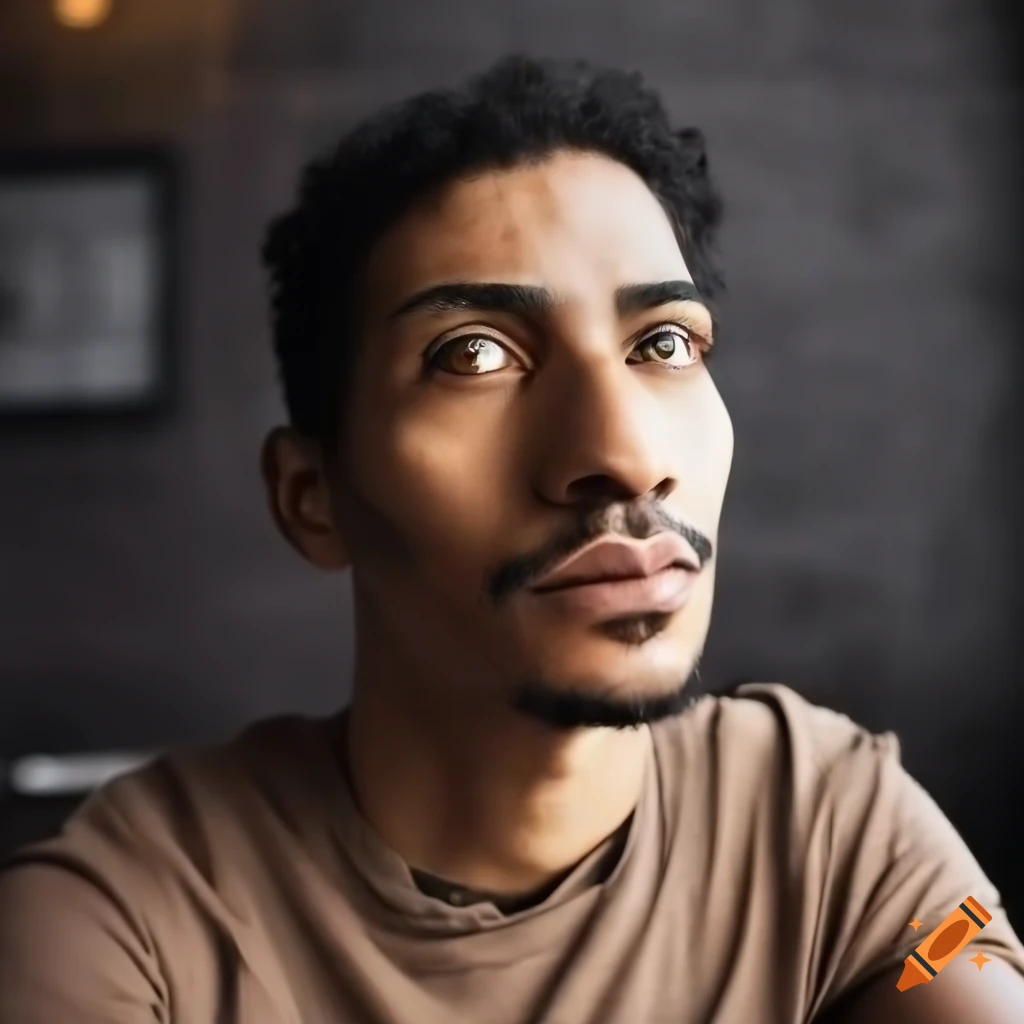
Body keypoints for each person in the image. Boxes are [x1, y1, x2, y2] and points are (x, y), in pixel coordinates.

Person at [0, 55, 1021, 1024]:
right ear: (314, 497)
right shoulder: (115, 928)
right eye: (474, 354)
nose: (624, 452)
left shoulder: (831, 824)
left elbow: (954, 956)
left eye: (663, 343)